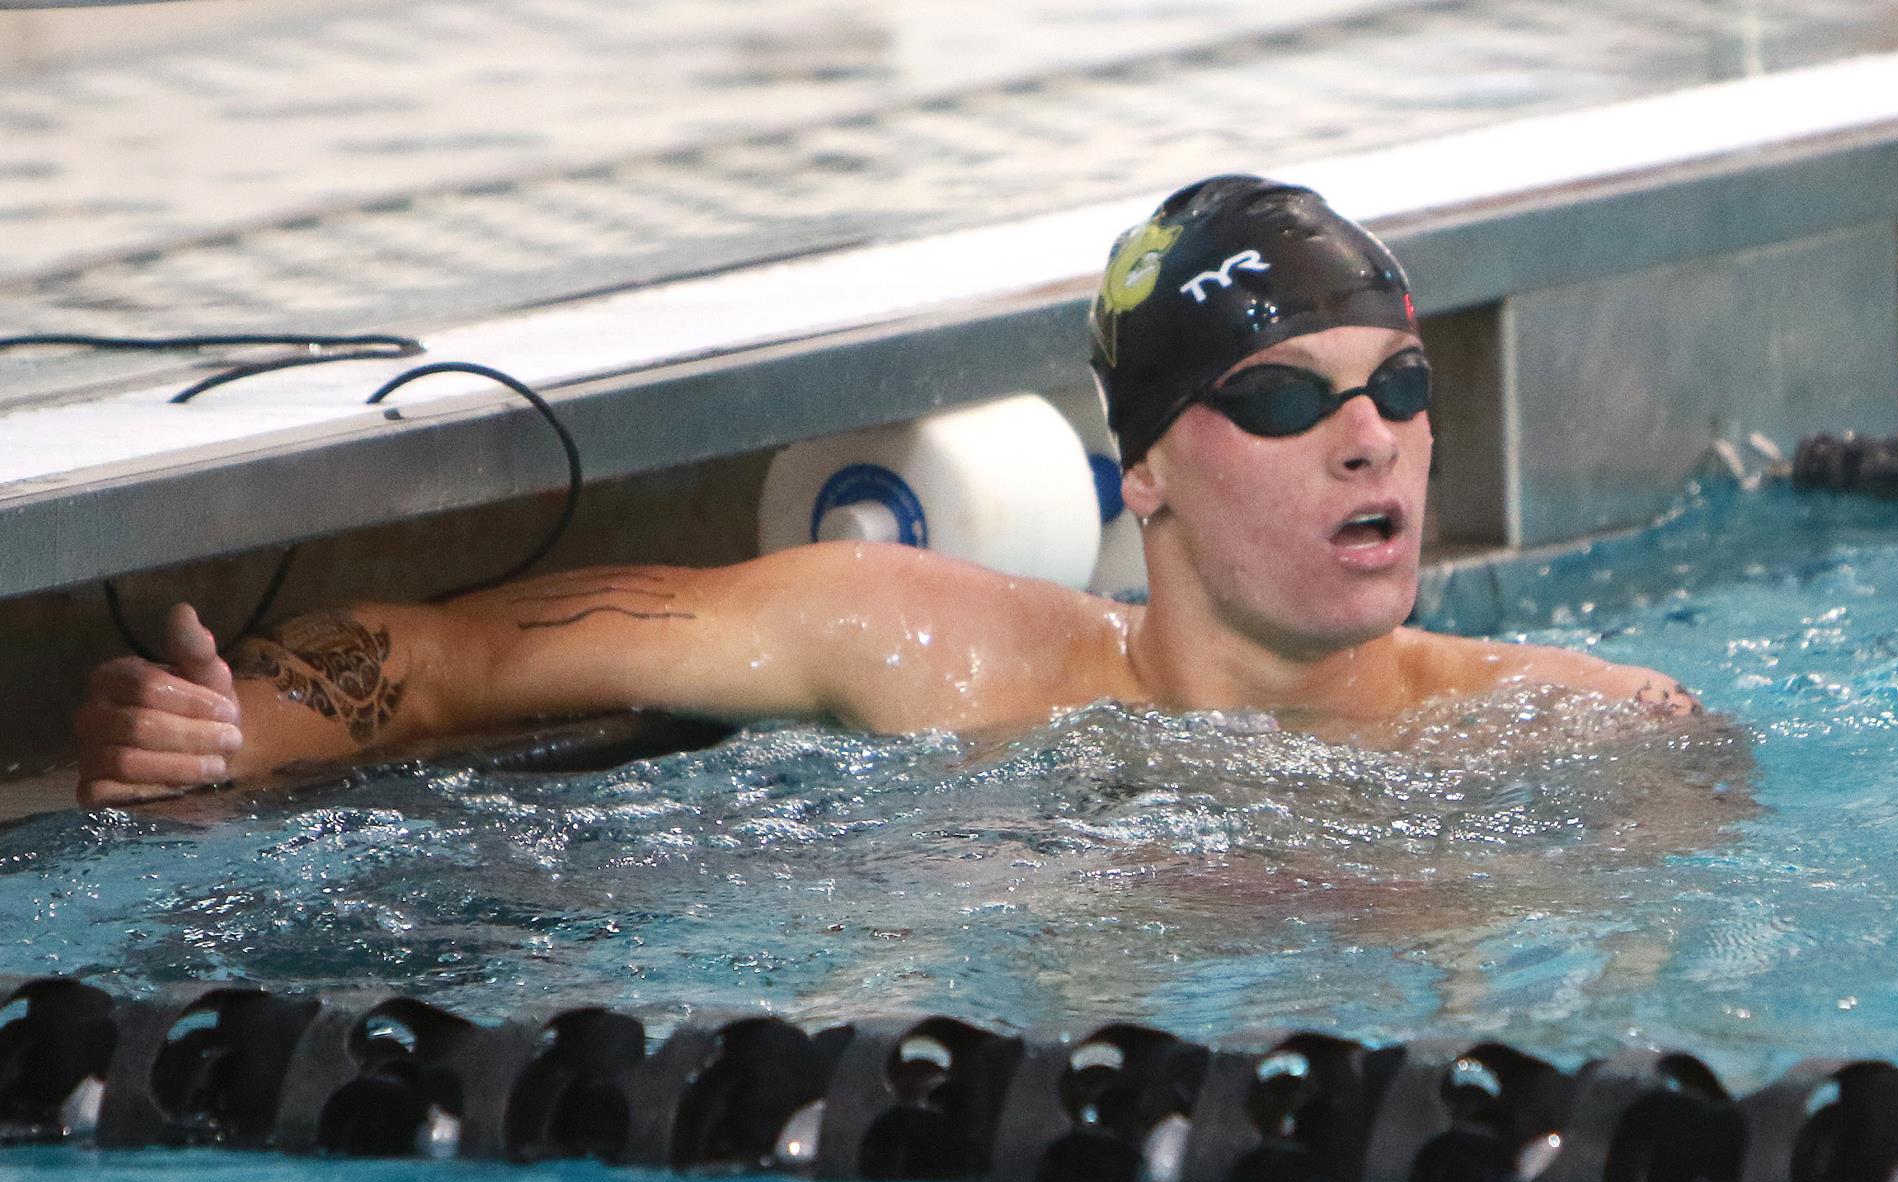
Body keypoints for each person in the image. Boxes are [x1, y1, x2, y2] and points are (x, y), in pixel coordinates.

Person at [73, 174, 1697, 807]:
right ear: (1141, 466)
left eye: (1400, 388)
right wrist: (230, 723)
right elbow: (451, 656)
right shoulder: (932, 648)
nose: (1373, 441)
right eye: (1284, 397)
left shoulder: (1596, 729)